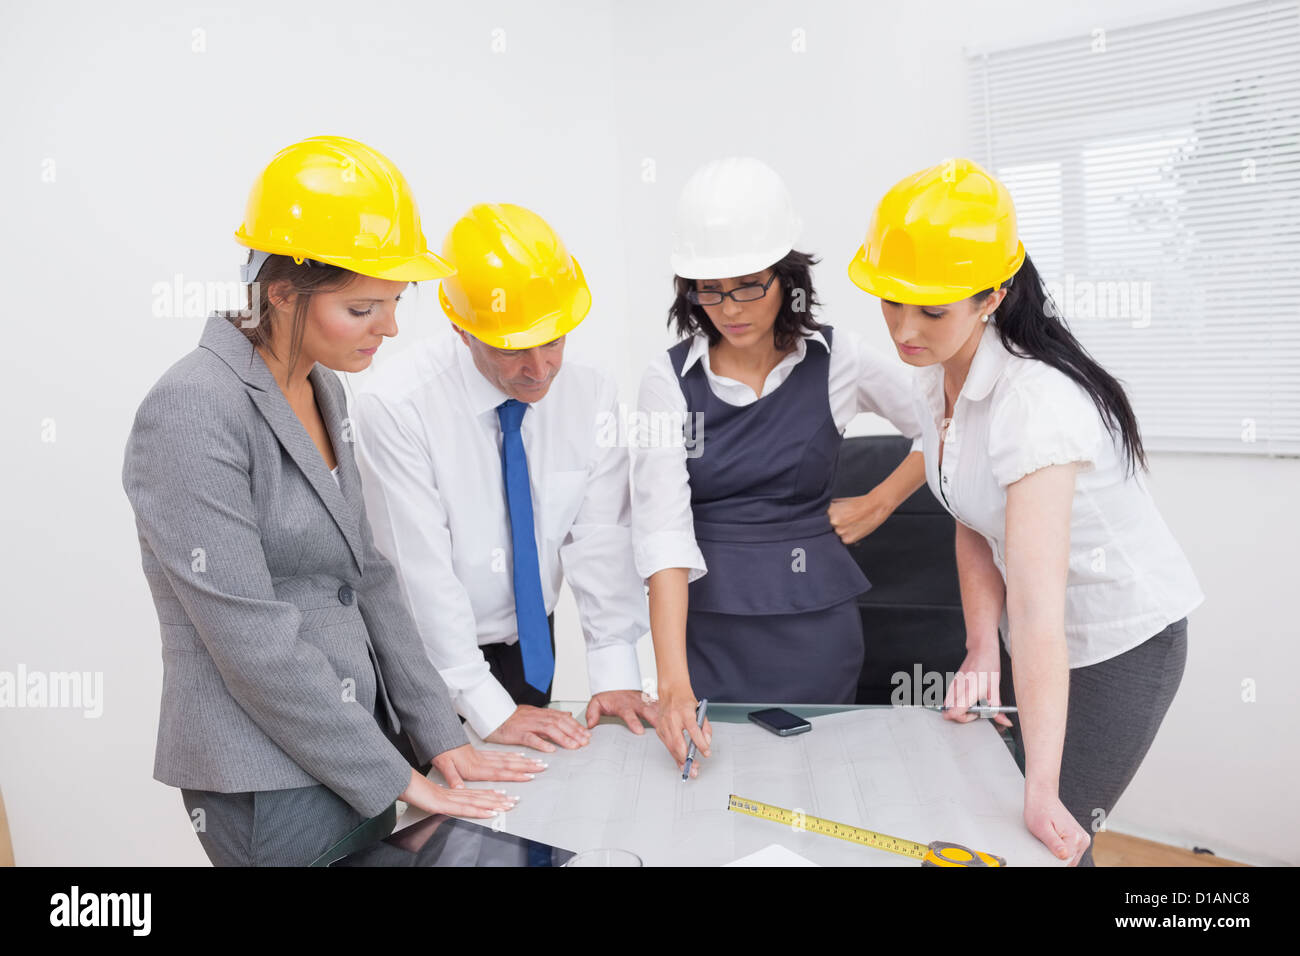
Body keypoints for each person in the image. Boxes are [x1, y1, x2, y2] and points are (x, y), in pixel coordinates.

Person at [122, 136, 543, 867]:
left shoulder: (325, 387)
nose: (390, 328)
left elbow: (367, 573)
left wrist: (437, 732)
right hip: (263, 769)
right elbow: (250, 636)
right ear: (281, 290)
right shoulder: (192, 408)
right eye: (362, 307)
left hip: (357, 739)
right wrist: (399, 774)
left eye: (394, 303)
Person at [846, 157, 1205, 866]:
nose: (903, 330)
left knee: (1045, 831)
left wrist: (1041, 786)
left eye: (930, 309)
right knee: (1036, 841)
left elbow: (1039, 611)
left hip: (1120, 640)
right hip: (1039, 636)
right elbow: (972, 518)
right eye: (891, 300)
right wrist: (982, 646)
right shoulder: (936, 377)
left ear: (992, 297)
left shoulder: (1035, 404)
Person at [632, 157, 926, 776]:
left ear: (786, 277)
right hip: (706, 623)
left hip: (814, 623)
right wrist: (672, 682)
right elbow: (662, 533)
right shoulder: (666, 378)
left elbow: (945, 424)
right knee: (709, 793)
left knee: (818, 779)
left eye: (747, 286)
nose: (728, 308)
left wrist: (882, 499)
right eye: (708, 290)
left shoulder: (838, 357)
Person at [353, 203, 656, 752]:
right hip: (424, 666)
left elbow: (600, 541)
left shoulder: (591, 393)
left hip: (529, 652)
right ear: (461, 330)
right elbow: (419, 573)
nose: (539, 370)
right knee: (443, 827)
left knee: (529, 817)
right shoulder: (396, 405)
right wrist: (482, 704)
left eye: (554, 341)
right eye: (512, 350)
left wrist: (615, 673)